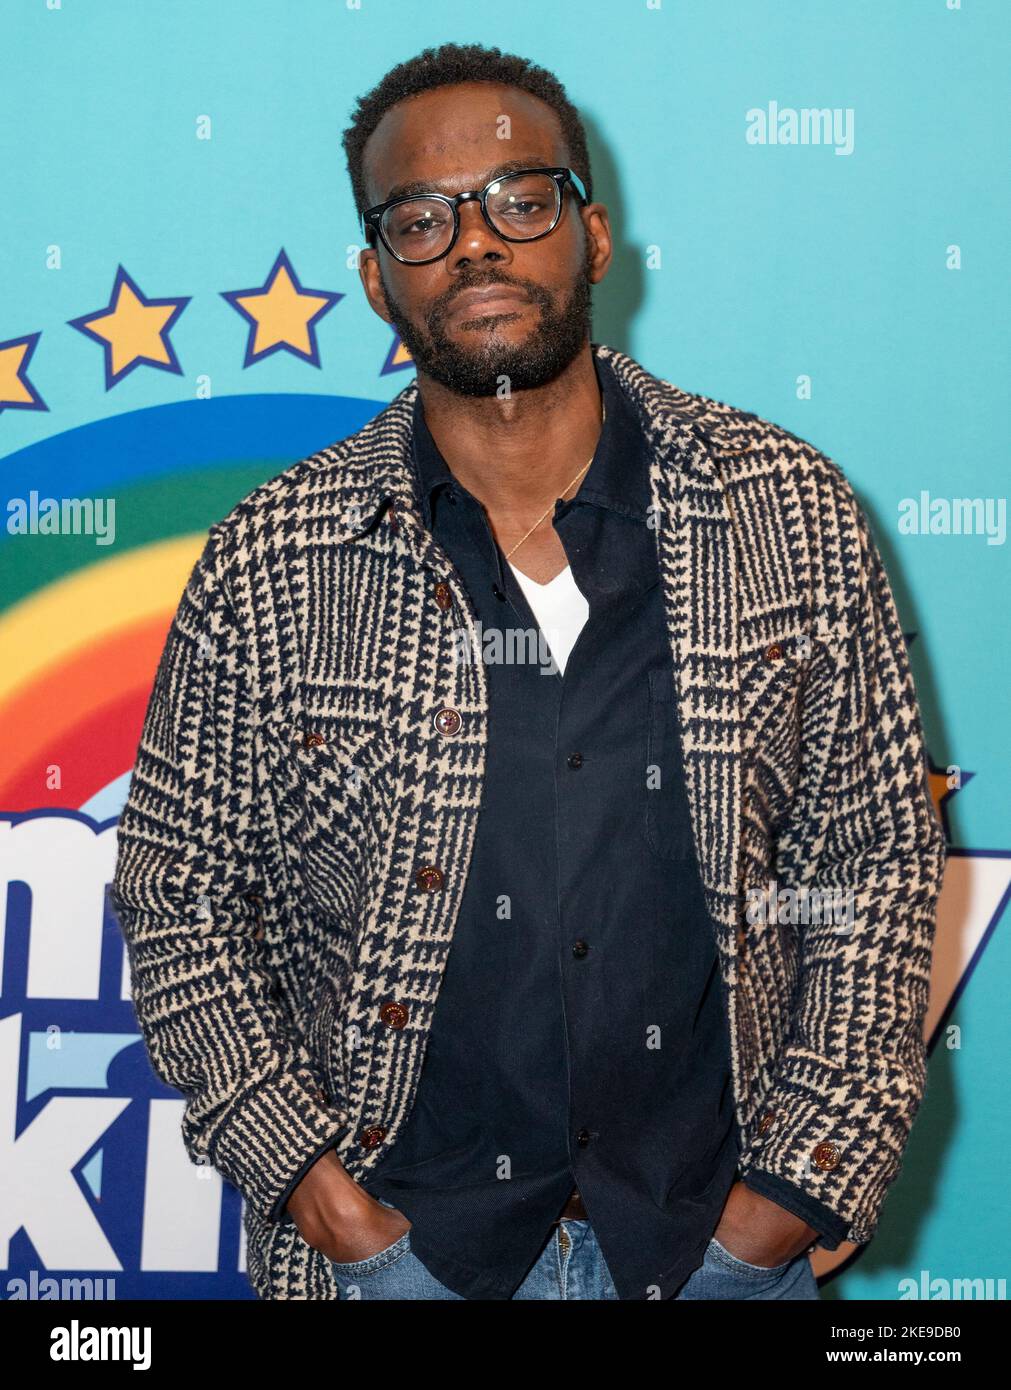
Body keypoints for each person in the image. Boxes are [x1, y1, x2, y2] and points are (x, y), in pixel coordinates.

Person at [111, 42, 947, 1301]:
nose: (476, 246)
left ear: (593, 235)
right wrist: (326, 1202)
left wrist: (788, 1201)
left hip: (712, 1252)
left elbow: (872, 864)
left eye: (521, 200)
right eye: (422, 219)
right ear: (376, 278)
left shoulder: (787, 510)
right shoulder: (274, 559)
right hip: (396, 1258)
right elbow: (179, 895)